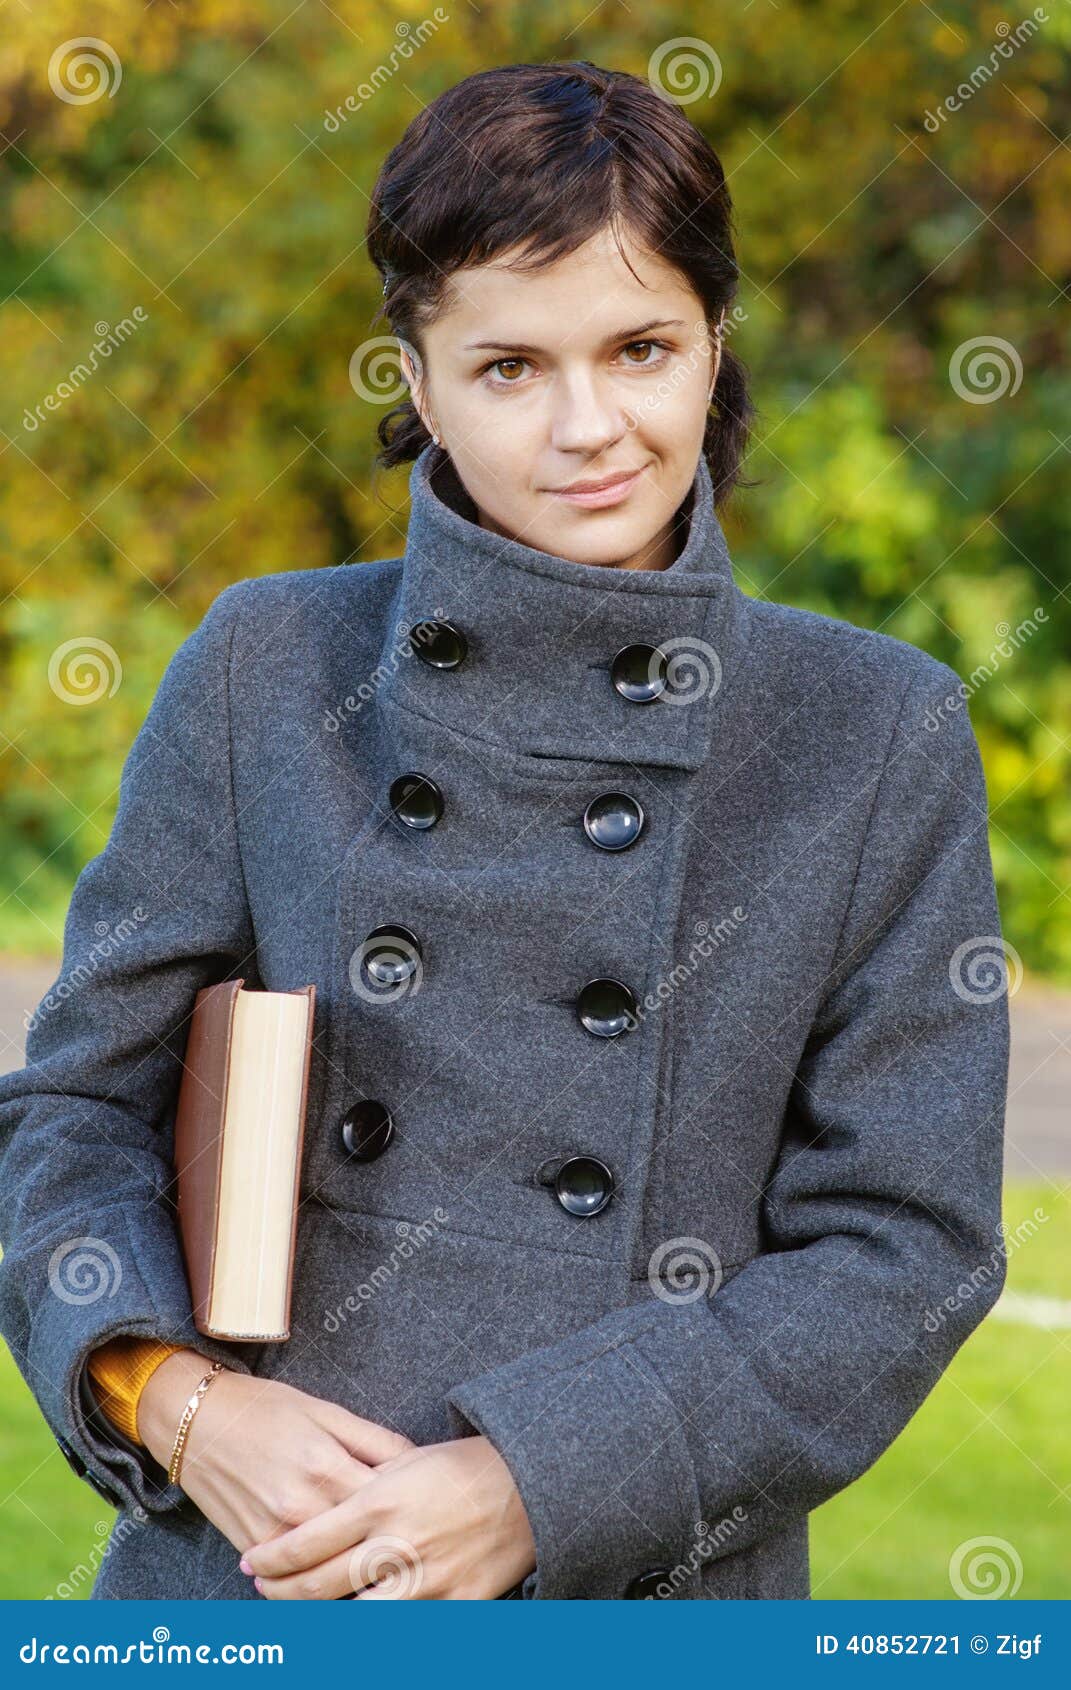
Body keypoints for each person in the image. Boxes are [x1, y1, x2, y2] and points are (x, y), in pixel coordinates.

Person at [0, 59, 1008, 1601]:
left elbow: (904, 1244)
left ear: (715, 347)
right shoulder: (269, 665)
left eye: (642, 347)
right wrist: (183, 1405)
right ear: (415, 378)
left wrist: (542, 1478)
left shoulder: (872, 730)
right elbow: (69, 1116)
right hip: (260, 1563)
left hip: (638, 1588)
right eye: (510, 367)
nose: (589, 426)